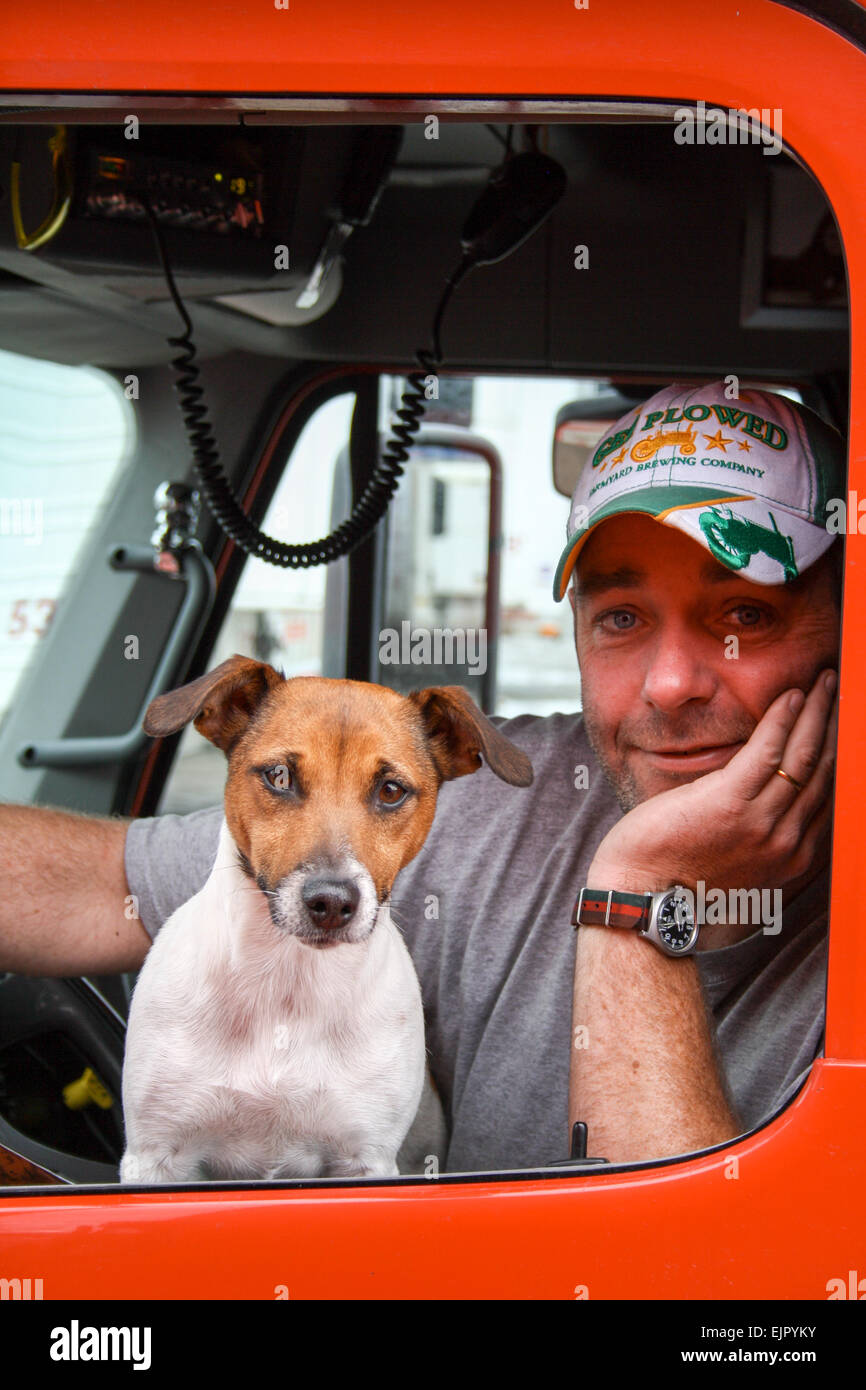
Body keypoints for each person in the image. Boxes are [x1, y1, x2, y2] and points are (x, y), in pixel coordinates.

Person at [0, 380, 843, 1174]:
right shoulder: (487, 793)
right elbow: (96, 882)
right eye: (621, 617)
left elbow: (702, 1306)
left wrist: (637, 889)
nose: (670, 683)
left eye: (743, 614)